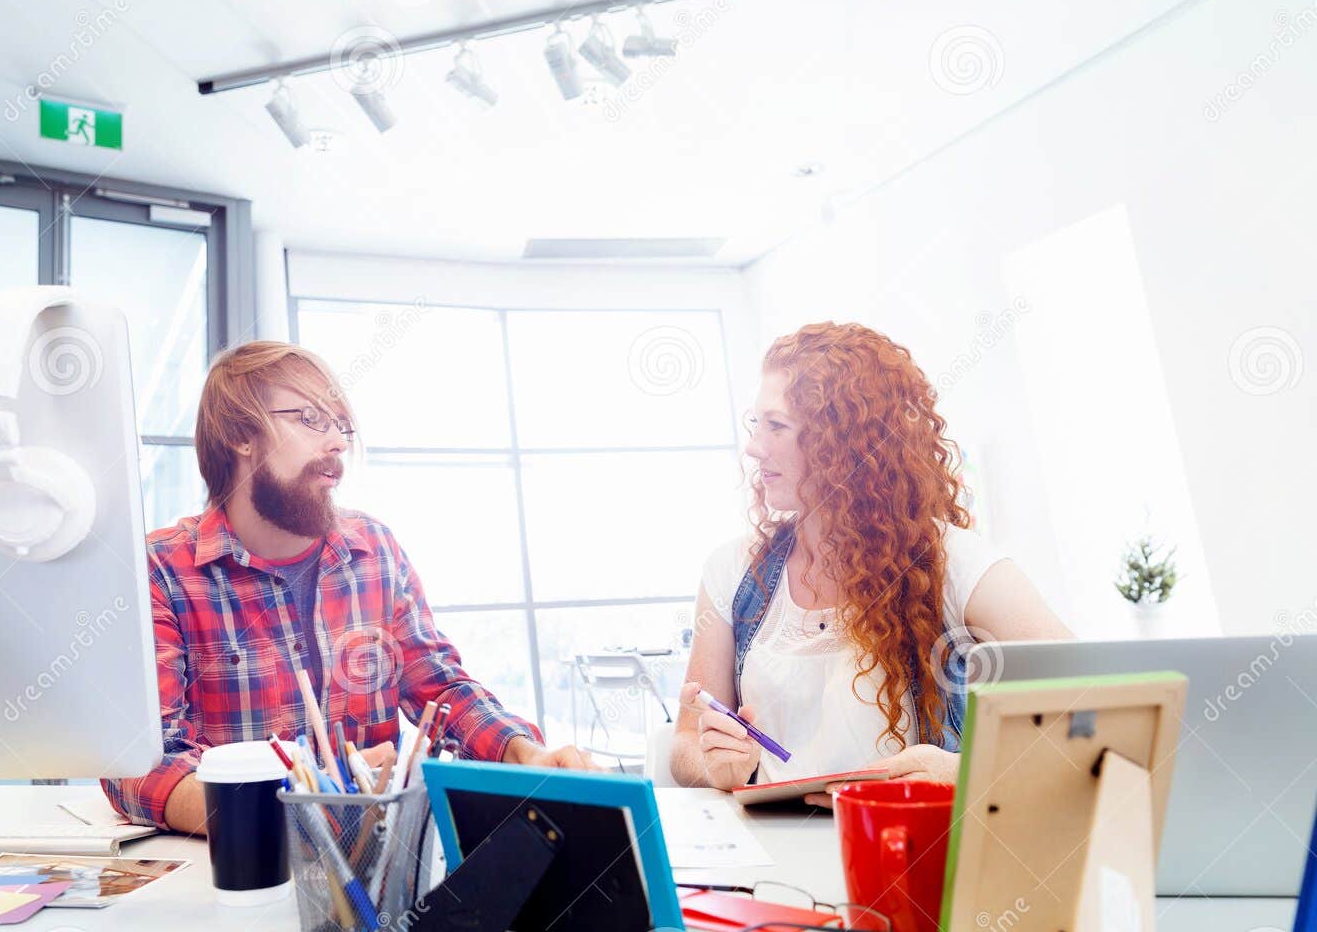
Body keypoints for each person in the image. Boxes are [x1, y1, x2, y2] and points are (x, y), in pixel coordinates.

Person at [104, 341, 590, 834]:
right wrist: (295, 813)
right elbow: (139, 763)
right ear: (239, 435)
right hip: (237, 877)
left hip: (376, 872)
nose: (337, 442)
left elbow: (438, 688)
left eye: (341, 425)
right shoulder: (161, 570)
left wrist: (521, 752)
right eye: (311, 419)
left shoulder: (374, 549)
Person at [671, 321, 1071, 797]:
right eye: (756, 424)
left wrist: (966, 772)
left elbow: (1090, 709)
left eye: (777, 426)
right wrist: (716, 765)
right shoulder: (732, 569)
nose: (755, 447)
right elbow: (685, 743)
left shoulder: (951, 561)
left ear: (844, 441)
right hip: (767, 861)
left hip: (902, 854)